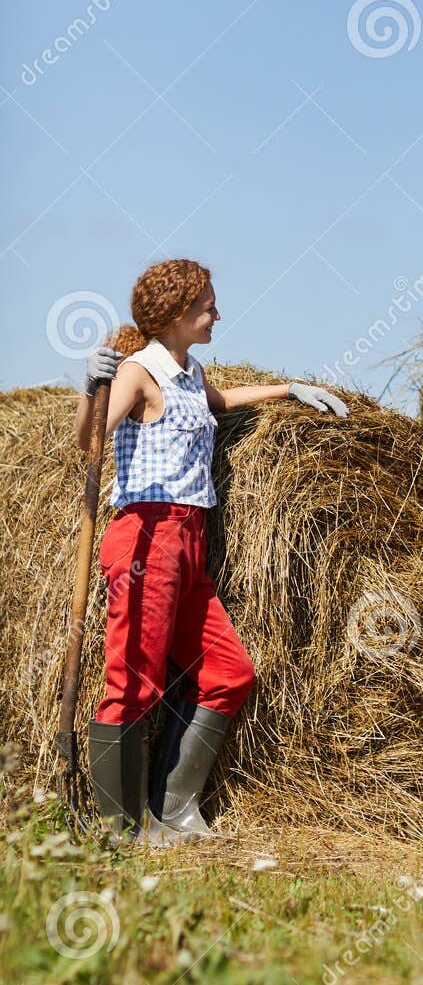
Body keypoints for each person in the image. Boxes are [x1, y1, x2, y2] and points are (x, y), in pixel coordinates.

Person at [76, 258, 346, 846]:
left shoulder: (187, 369)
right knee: (133, 681)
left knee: (228, 673)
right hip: (146, 538)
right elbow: (90, 442)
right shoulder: (137, 370)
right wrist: (91, 387)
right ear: (176, 313)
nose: (217, 313)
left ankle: (173, 810)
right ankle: (119, 831)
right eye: (207, 306)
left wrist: (290, 390)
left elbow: (217, 399)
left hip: (190, 541)